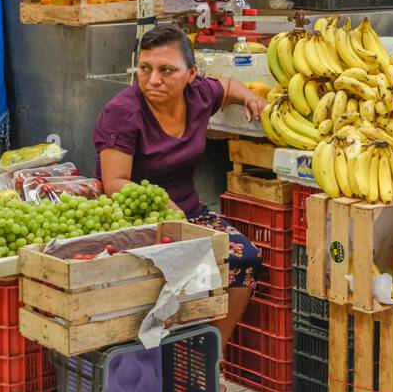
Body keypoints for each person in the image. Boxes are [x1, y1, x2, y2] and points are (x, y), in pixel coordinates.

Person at [93, 24, 270, 350]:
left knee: (245, 259)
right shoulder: (122, 113)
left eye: (166, 70)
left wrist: (249, 97)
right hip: (137, 224)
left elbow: (227, 86)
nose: (153, 80)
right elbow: (114, 183)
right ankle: (163, 358)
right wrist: (161, 204)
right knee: (174, 282)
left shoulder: (200, 94)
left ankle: (210, 358)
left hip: (190, 214)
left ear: (191, 74)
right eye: (145, 69)